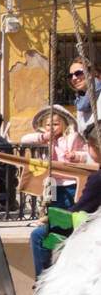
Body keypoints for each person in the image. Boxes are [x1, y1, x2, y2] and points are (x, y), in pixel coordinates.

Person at [22, 105, 94, 276]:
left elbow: (87, 153)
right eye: (48, 125)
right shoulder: (45, 140)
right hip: (53, 186)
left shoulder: (71, 137)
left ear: (63, 124)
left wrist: (76, 156)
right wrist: (43, 137)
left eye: (55, 124)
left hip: (70, 185)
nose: (51, 128)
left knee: (65, 217)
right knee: (52, 216)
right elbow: (25, 139)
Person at [69, 61, 101, 130]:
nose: (74, 78)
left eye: (78, 73)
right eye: (70, 75)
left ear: (91, 73)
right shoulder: (80, 101)